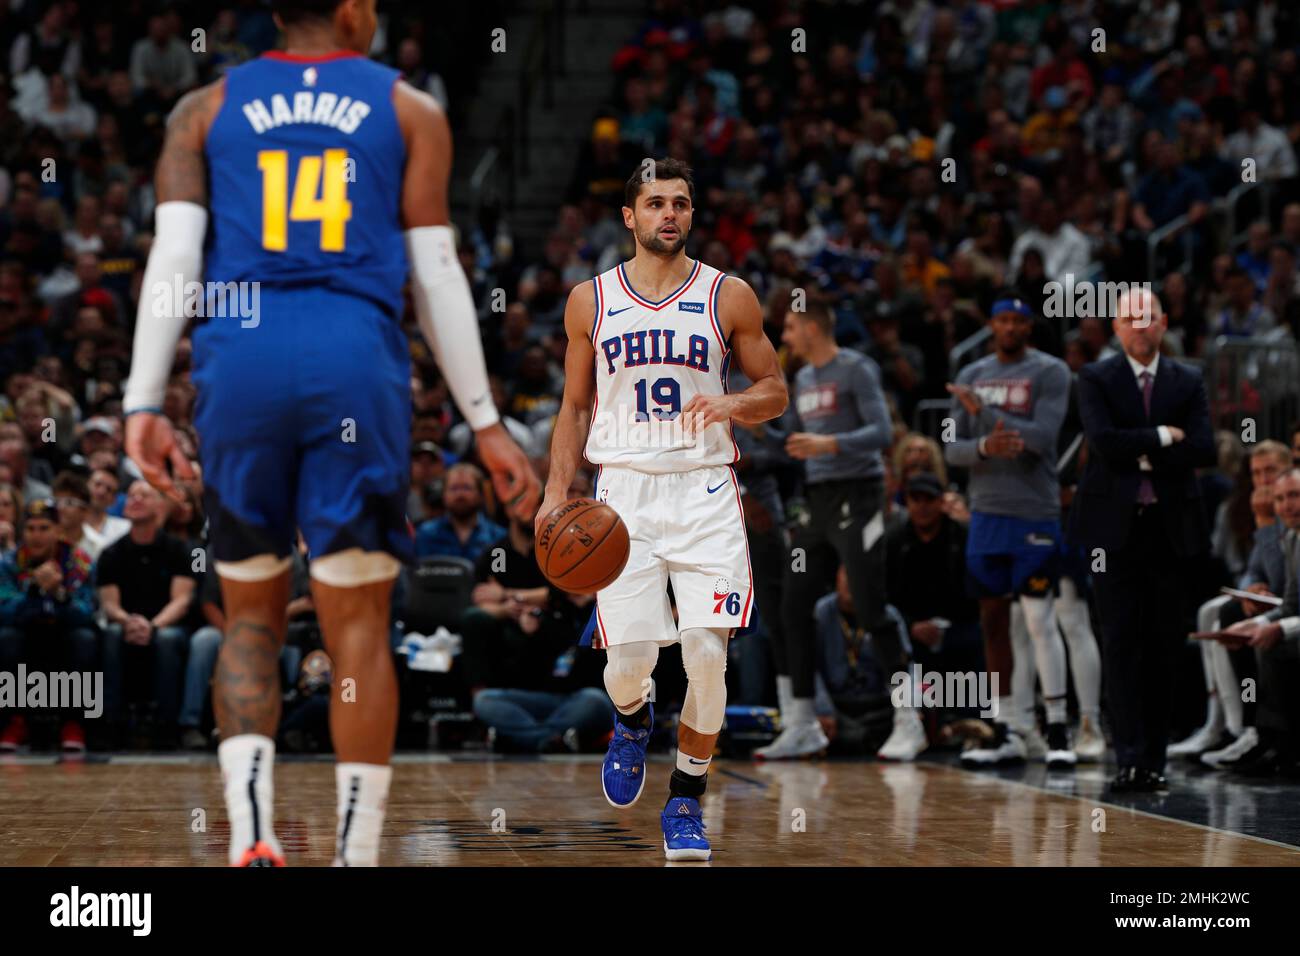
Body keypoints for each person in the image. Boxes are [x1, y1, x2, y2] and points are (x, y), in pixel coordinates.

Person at [121, 0, 538, 867]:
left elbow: (172, 262)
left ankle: (251, 837)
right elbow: (435, 271)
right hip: (355, 351)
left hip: (240, 356)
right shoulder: (408, 108)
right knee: (356, 624)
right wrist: (487, 425)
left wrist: (141, 400)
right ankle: (353, 853)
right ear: (351, 8)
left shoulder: (200, 110)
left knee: (248, 613)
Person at [537, 158, 787, 861]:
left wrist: (734, 402)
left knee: (708, 660)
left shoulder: (727, 295)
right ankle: (631, 719)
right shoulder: (590, 300)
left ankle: (685, 798)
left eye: (680, 203)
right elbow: (574, 405)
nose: (668, 214)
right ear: (630, 216)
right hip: (622, 494)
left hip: (705, 489)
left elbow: (774, 389)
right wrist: (558, 491)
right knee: (630, 662)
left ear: (691, 214)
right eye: (654, 204)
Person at [761, 299, 927, 764]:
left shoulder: (857, 369)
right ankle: (802, 723)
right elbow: (789, 440)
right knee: (794, 606)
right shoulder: (804, 379)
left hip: (861, 492)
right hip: (819, 497)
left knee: (871, 604)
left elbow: (881, 432)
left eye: (791, 327)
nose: (786, 336)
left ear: (813, 327)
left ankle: (908, 720)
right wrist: (749, 424)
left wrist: (830, 443)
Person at [1073, 287, 1216, 792]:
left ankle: (1153, 760)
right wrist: (1161, 438)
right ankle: (1126, 757)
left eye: (1148, 316)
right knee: (1119, 643)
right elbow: (1104, 445)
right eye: (1129, 318)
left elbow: (1204, 448)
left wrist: (1143, 449)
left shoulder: (1188, 378)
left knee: (1162, 645)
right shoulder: (1095, 376)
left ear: (1164, 322)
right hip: (1112, 533)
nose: (1139, 325)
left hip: (1169, 531)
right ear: (1116, 327)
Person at [945, 296, 1074, 768]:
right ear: (992, 324)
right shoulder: (972, 372)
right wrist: (984, 442)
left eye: (1019, 321)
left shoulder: (1052, 372)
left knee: (1040, 620)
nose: (1010, 327)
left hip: (1034, 513)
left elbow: (1040, 439)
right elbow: (951, 450)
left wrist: (982, 411)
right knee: (993, 623)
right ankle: (1007, 728)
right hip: (986, 515)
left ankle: (1057, 727)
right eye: (1002, 319)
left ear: (1029, 327)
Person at [96, 480, 196, 747]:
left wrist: (152, 625)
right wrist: (128, 621)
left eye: (144, 495)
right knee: (111, 634)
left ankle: (167, 725)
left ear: (161, 506)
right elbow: (109, 604)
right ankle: (110, 722)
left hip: (167, 625)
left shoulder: (179, 550)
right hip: (126, 623)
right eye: (131, 496)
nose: (136, 500)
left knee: (166, 640)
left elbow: (182, 600)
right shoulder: (111, 553)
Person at [0, 499, 97, 752]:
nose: (37, 536)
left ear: (57, 531)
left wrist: (59, 594)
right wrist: (33, 592)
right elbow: (4, 612)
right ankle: (15, 721)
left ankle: (74, 722)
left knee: (85, 638)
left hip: (64, 633)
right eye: (30, 529)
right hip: (25, 635)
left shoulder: (79, 561)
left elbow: (88, 612)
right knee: (7, 637)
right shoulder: (9, 563)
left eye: (44, 528)